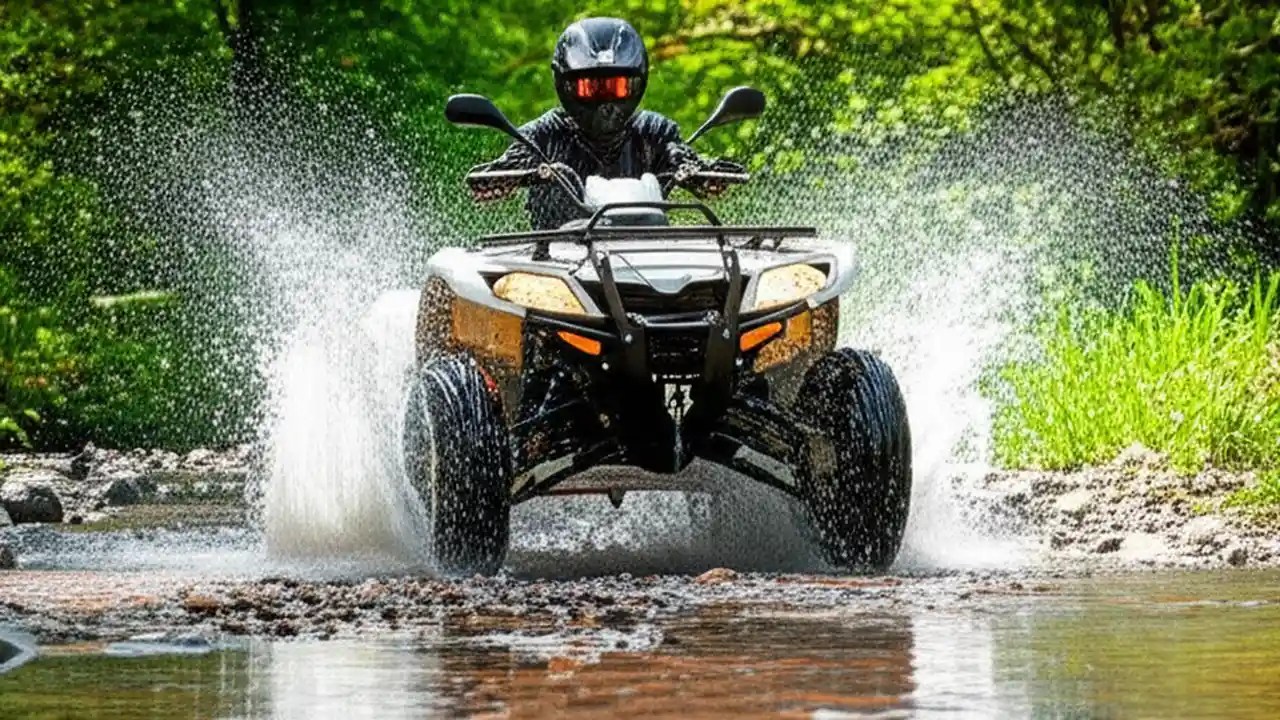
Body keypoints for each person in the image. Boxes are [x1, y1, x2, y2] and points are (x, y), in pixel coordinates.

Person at [466, 17, 742, 230]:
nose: (606, 103)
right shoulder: (542, 135)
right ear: (565, 85)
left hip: (651, 252)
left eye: (617, 87)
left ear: (638, 83)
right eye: (591, 88)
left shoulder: (655, 132)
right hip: (557, 261)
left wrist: (701, 173)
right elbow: (506, 168)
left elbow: (681, 158)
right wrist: (501, 178)